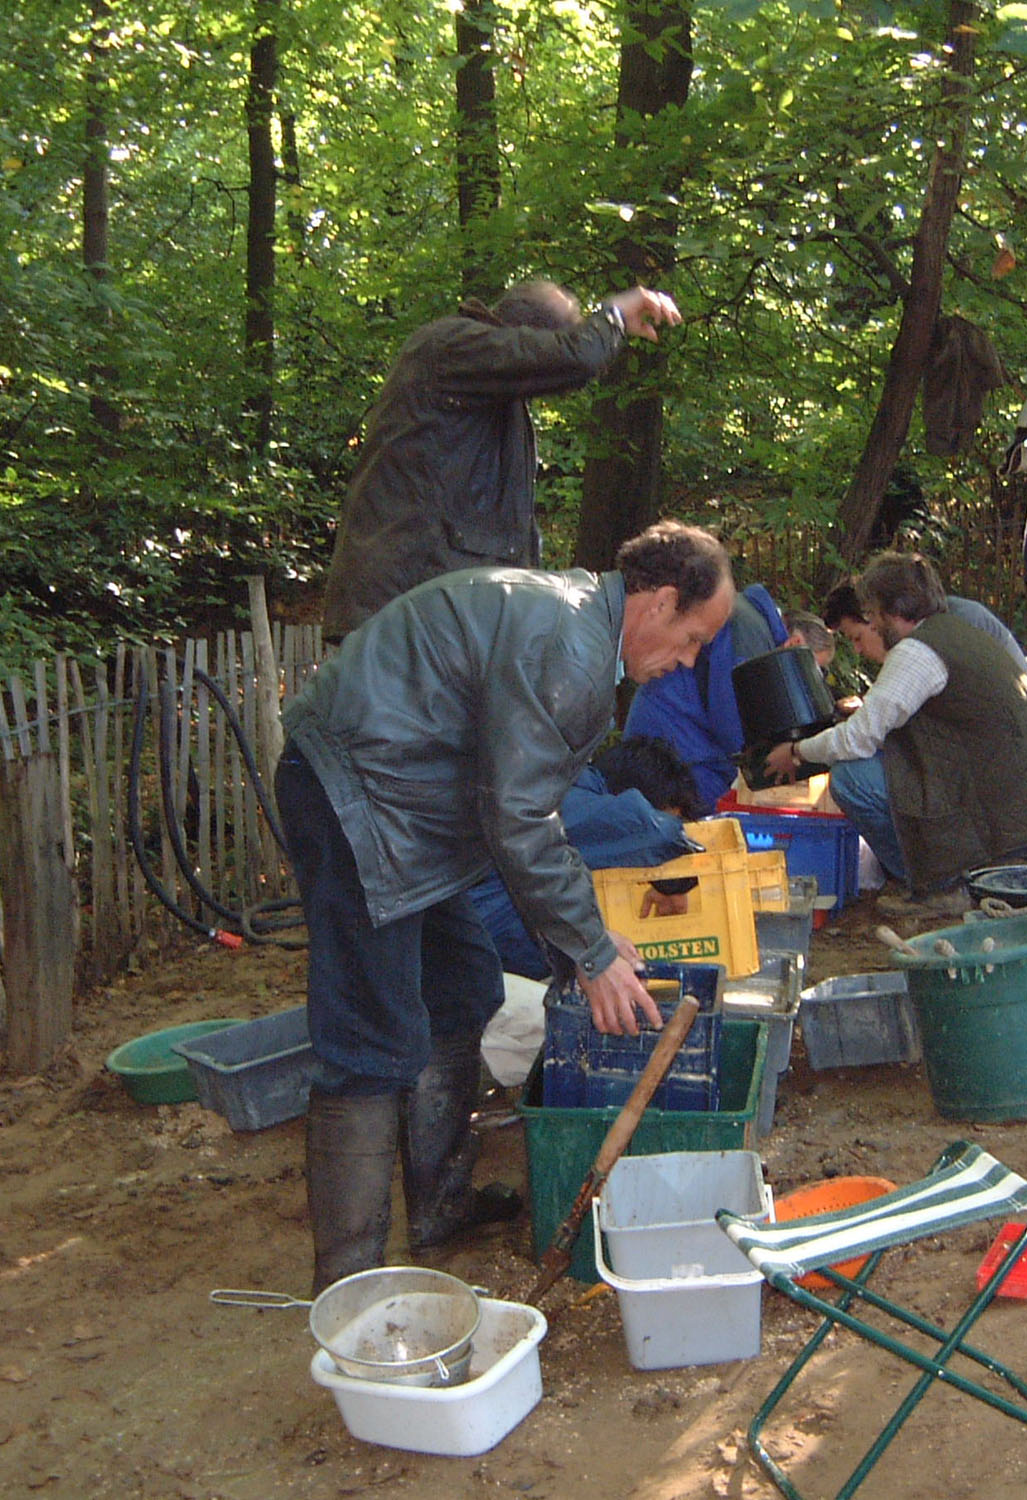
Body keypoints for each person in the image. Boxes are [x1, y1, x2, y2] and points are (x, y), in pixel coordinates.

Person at [278, 521, 735, 1292]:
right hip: (356, 797)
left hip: (409, 805)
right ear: (659, 603)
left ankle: (439, 1207)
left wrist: (585, 944)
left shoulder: (576, 626)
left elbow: (525, 811)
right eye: (691, 640)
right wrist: (589, 952)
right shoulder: (570, 648)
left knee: (463, 985)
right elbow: (521, 820)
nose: (685, 662)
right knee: (371, 1037)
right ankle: (350, 1286)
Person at [320, 279, 683, 638]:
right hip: (407, 607)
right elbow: (575, 358)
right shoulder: (452, 346)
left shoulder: (478, 381)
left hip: (422, 607)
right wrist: (614, 316)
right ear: (530, 339)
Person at [768, 553, 1027, 916]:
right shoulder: (956, 631)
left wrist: (796, 752)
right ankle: (963, 873)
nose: (872, 625)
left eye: (873, 615)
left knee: (852, 779)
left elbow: (858, 737)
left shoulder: (918, 650)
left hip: (1012, 814)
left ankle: (936, 887)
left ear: (891, 611)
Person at [468, 736, 703, 981]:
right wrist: (675, 881)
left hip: (479, 939)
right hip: (480, 949)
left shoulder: (562, 785)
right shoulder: (576, 805)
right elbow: (659, 832)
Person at [622, 580, 791, 811]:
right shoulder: (746, 634)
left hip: (674, 742)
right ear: (796, 642)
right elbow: (734, 723)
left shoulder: (747, 619)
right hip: (677, 756)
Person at [821, 580, 1027, 673]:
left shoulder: (954, 625)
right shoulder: (933, 626)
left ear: (875, 616)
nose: (857, 650)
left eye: (857, 638)